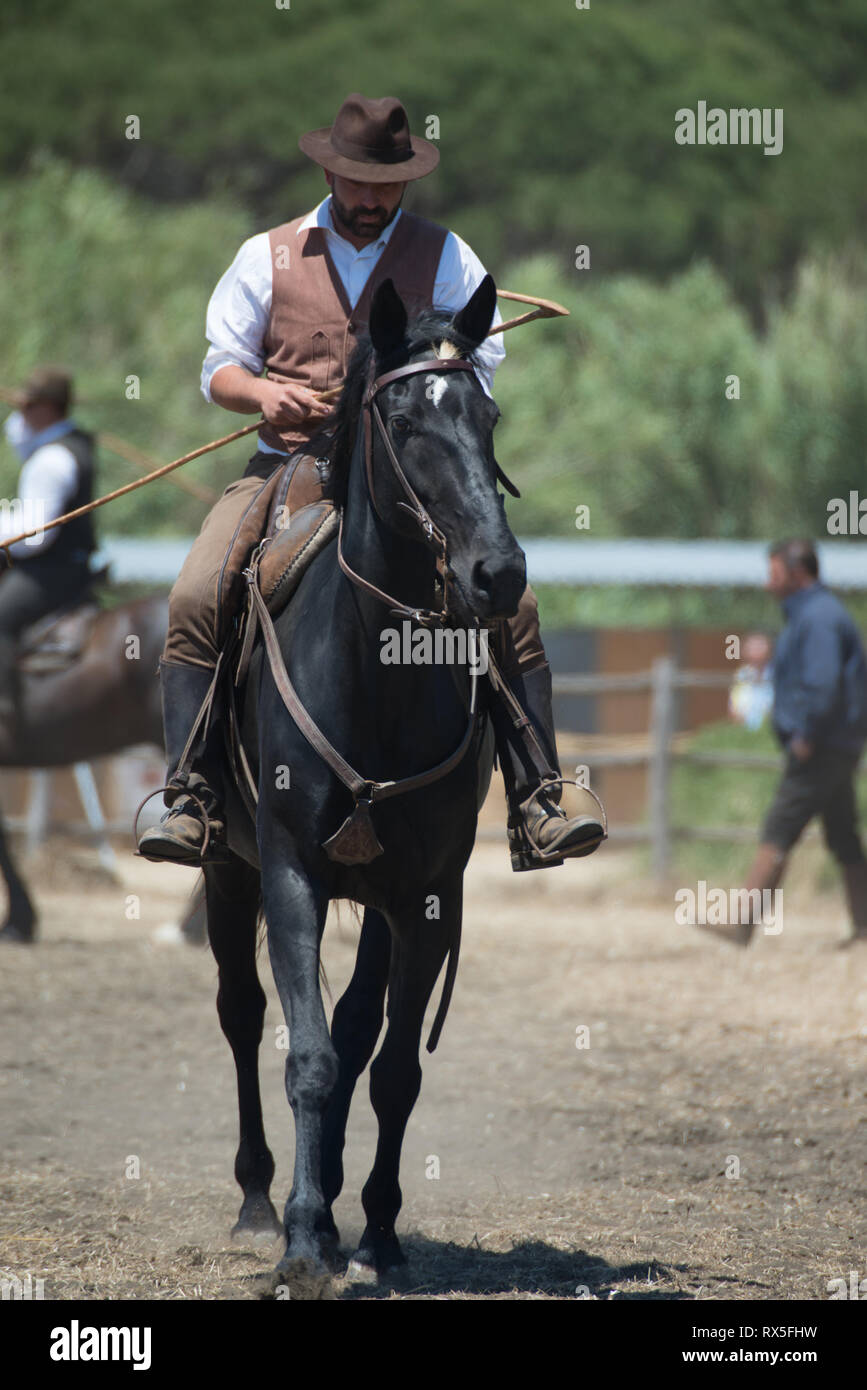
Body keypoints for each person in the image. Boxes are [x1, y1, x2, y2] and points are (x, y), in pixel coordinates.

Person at [137, 93, 606, 870]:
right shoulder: (269, 254)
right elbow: (217, 367)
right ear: (329, 172)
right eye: (355, 183)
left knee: (509, 603)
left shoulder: (448, 255)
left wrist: (421, 377)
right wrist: (262, 393)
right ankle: (190, 795)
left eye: (384, 186)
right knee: (193, 596)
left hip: (411, 482)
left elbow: (475, 368)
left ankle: (539, 797)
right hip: (290, 467)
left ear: (404, 181)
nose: (369, 200)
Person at [716, 540, 867, 945]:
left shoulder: (818, 618)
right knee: (843, 834)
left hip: (821, 746)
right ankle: (864, 928)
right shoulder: (817, 614)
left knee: (779, 826)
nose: (769, 582)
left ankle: (741, 923)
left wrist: (807, 735)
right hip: (836, 744)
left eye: (774, 573)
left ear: (797, 573)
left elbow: (824, 683)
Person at [0, 368, 97, 718]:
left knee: (1, 616)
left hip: (51, 568)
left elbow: (34, 536)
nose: (20, 416)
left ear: (45, 409)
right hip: (68, 561)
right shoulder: (72, 442)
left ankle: (4, 708)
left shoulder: (50, 461)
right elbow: (18, 438)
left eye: (26, 407)